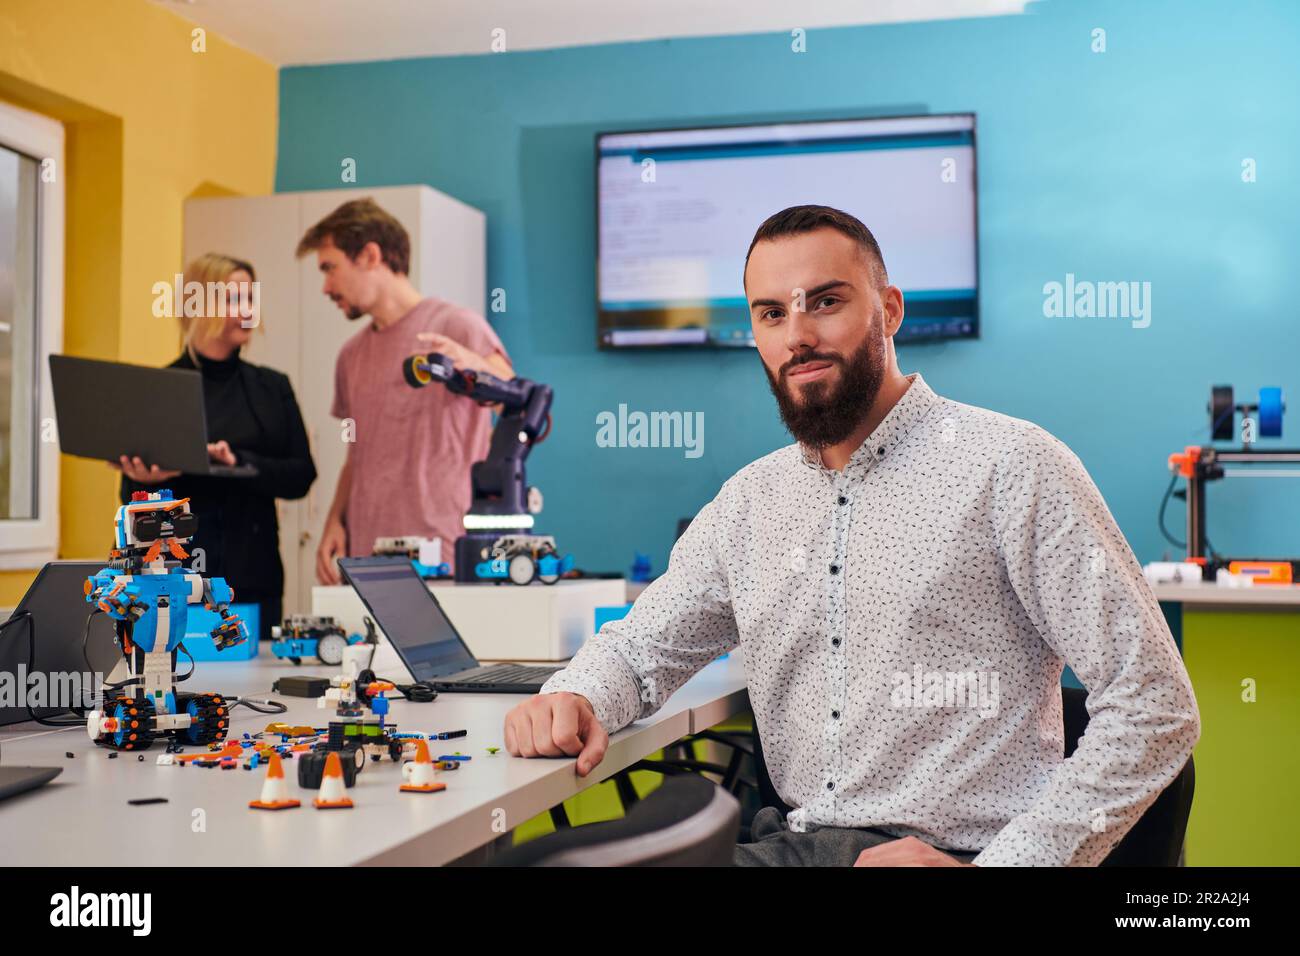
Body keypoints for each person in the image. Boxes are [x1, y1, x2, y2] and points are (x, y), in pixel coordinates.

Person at [503, 205, 1200, 867]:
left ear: (889, 309)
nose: (796, 334)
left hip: (957, 853)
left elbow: (1154, 705)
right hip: (795, 846)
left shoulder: (1013, 465)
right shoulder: (748, 502)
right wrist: (579, 694)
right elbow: (642, 645)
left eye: (825, 302)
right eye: (771, 313)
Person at [295, 198, 512, 584]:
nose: (326, 287)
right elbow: (356, 454)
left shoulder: (457, 326)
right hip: (367, 556)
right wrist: (334, 521)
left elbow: (512, 395)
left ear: (369, 255)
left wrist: (469, 361)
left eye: (330, 268)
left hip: (444, 552)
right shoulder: (351, 355)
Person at [117, 253, 316, 640]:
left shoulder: (272, 388)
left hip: (254, 577)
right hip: (173, 580)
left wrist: (239, 462)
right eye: (232, 299)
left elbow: (301, 476)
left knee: (256, 686)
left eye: (250, 299)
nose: (246, 310)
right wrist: (145, 480)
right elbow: (132, 503)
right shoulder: (159, 388)